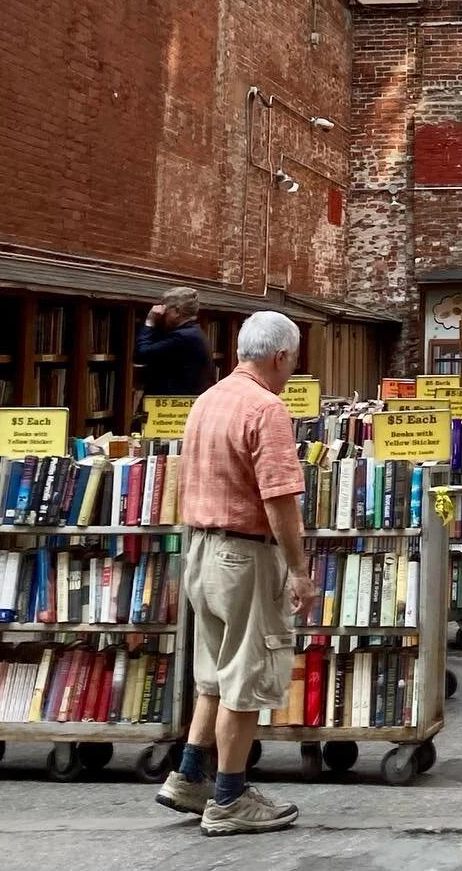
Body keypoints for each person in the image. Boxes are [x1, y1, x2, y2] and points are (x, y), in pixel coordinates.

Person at [155, 311, 317, 836]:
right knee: (247, 675)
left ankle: (188, 777)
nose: (292, 368)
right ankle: (229, 797)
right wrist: (299, 570)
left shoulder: (208, 398)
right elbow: (280, 499)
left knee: (213, 674)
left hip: (200, 551)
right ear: (280, 356)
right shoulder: (266, 408)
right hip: (243, 555)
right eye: (293, 358)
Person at [135, 286, 216, 397]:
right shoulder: (194, 333)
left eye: (165, 309)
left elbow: (141, 354)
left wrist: (150, 322)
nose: (162, 313)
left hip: (171, 410)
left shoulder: (182, 337)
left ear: (177, 311)